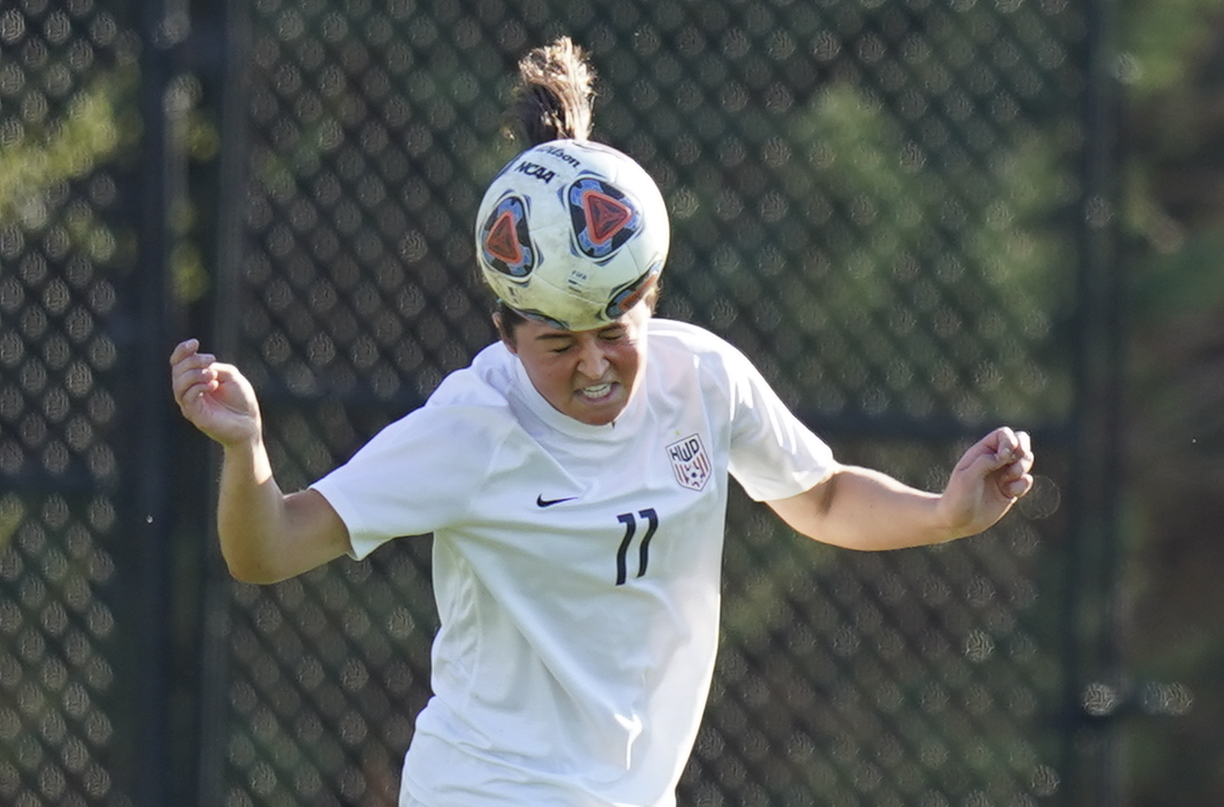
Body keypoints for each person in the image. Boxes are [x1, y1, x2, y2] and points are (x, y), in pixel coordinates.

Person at [170, 37, 1035, 807]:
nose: (592, 365)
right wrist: (245, 449)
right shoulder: (473, 428)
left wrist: (943, 513)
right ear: (504, 332)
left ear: (648, 301)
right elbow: (268, 549)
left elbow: (821, 496)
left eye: (614, 333)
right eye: (557, 344)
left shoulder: (704, 377)